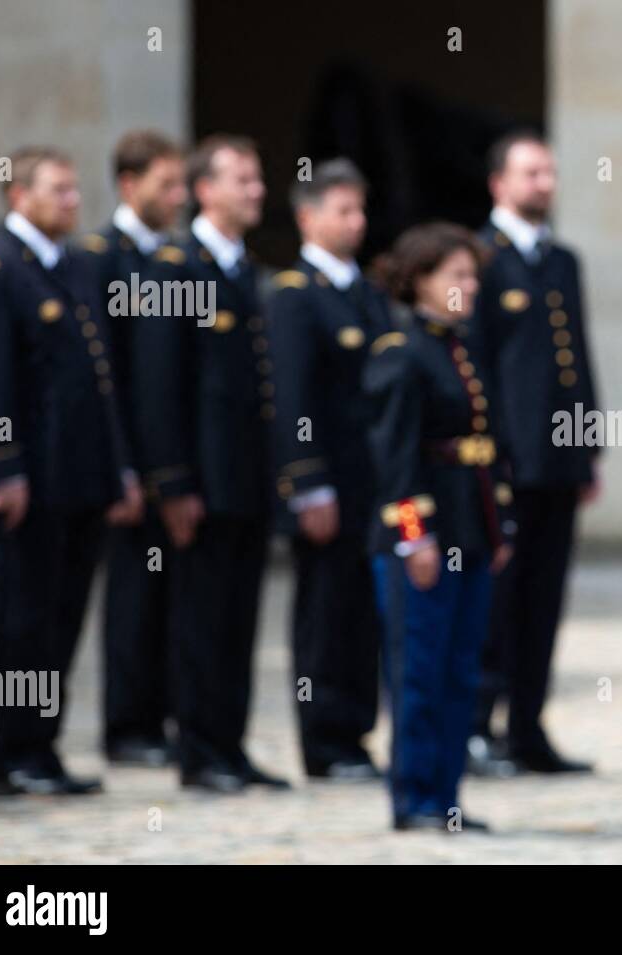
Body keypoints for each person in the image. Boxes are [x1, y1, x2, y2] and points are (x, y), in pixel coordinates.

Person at [0, 146, 142, 795]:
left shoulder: (74, 266)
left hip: (79, 478)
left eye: (72, 188)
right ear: (18, 195)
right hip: (28, 483)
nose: (72, 199)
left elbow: (100, 381)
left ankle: (43, 746)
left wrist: (119, 467)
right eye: (58, 190)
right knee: (22, 623)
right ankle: (12, 756)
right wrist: (3, 468)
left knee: (61, 619)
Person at [132, 135, 289, 792]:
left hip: (246, 479)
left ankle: (230, 741)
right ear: (205, 190)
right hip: (201, 481)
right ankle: (198, 750)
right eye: (242, 180)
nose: (257, 191)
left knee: (239, 619)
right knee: (200, 618)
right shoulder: (175, 268)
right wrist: (171, 481)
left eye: (257, 180)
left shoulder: (243, 271)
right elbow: (157, 383)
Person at [363, 222, 514, 831]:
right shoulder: (400, 352)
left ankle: (446, 798)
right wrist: (412, 536)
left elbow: (485, 447)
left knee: (460, 671)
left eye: (472, 274)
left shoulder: (460, 346)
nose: (469, 286)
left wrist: (497, 527)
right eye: (455, 275)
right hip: (423, 538)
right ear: (420, 280)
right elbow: (393, 460)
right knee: (418, 671)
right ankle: (414, 797)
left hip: (468, 531)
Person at [468, 132, 599, 775]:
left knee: (544, 601)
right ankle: (477, 727)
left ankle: (527, 727)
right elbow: (477, 365)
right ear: (499, 183)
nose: (543, 183)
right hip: (508, 464)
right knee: (498, 599)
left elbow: (577, 359)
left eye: (548, 172)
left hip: (560, 463)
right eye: (529, 173)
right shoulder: (479, 259)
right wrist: (490, 454)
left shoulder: (561, 260)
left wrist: (589, 446)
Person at [268, 159, 390, 781]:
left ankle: (355, 732)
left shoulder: (367, 294)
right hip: (330, 485)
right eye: (342, 210)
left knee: (364, 614)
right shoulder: (295, 295)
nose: (356, 222)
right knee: (325, 615)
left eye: (360, 209)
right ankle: (324, 740)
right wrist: (306, 482)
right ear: (307, 217)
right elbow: (292, 397)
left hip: (372, 485)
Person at [76, 130, 188, 767]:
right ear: (129, 183)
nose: (175, 198)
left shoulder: (171, 261)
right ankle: (127, 725)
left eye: (179, 185)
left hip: (170, 460)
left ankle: (162, 717)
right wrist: (120, 464)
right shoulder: (100, 258)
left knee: (172, 597)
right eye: (164, 185)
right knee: (134, 597)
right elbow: (105, 376)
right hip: (129, 462)